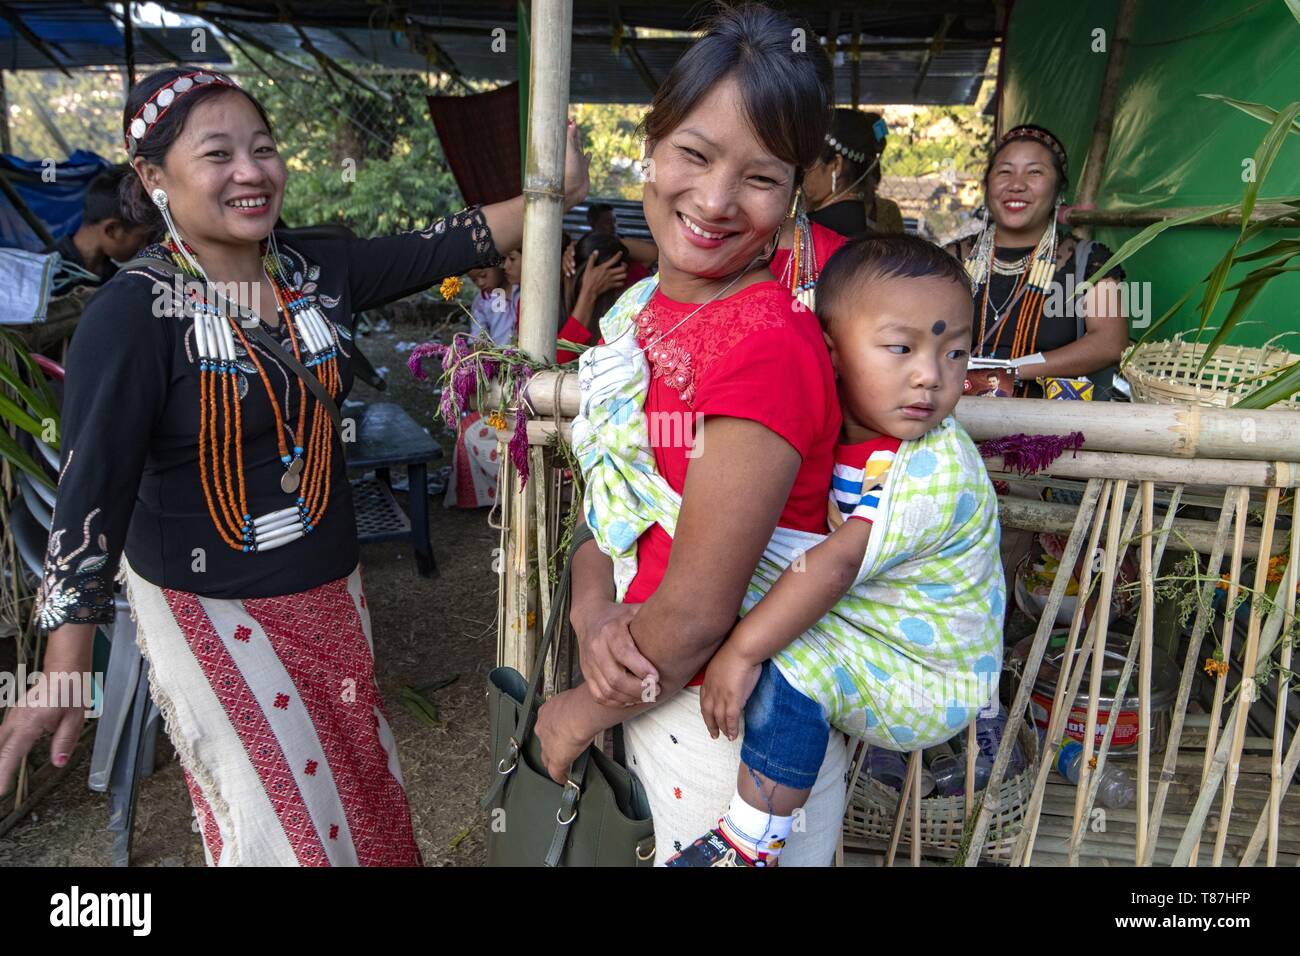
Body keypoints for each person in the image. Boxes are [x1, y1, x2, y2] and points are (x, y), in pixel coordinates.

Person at [0, 66, 590, 866]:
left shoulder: (319, 269)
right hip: (213, 608)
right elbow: (88, 492)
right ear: (152, 177)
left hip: (330, 593)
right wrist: (64, 666)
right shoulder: (131, 314)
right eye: (218, 155)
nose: (251, 172)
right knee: (287, 826)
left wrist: (559, 185)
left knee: (360, 790)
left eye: (265, 149)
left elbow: (461, 240)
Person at [533, 3, 848, 867]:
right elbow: (616, 497)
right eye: (695, 155)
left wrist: (572, 714)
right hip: (652, 701)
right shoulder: (642, 311)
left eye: (759, 176)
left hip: (735, 742)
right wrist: (596, 611)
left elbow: (703, 614)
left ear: (795, 194)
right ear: (654, 144)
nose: (713, 201)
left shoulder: (769, 344)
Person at [665, 235, 1003, 866]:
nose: (931, 374)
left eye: (955, 353)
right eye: (902, 348)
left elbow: (836, 564)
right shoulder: (827, 431)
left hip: (933, 672)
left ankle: (749, 842)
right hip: (882, 641)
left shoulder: (931, 465)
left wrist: (741, 648)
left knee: (790, 658)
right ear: (829, 348)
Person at [949, 124, 1129, 400]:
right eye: (1004, 171)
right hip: (955, 419)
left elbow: (1109, 343)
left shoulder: (1089, 262)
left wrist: (1011, 370)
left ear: (1058, 190)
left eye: (1034, 172)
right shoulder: (950, 260)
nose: (1016, 184)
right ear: (987, 186)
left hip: (1051, 429)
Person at [46, 165, 154, 287]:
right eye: (143, 238)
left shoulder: (111, 274)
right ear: (112, 230)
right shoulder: (45, 277)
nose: (146, 246)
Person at [555, 231, 629, 363]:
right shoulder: (545, 301)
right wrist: (588, 294)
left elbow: (653, 253)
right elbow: (555, 361)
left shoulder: (631, 295)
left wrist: (605, 245)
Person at [466, 264, 513, 345]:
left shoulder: (519, 290)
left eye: (483, 275)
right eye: (474, 280)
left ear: (499, 264)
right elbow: (478, 336)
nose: (480, 283)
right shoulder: (480, 302)